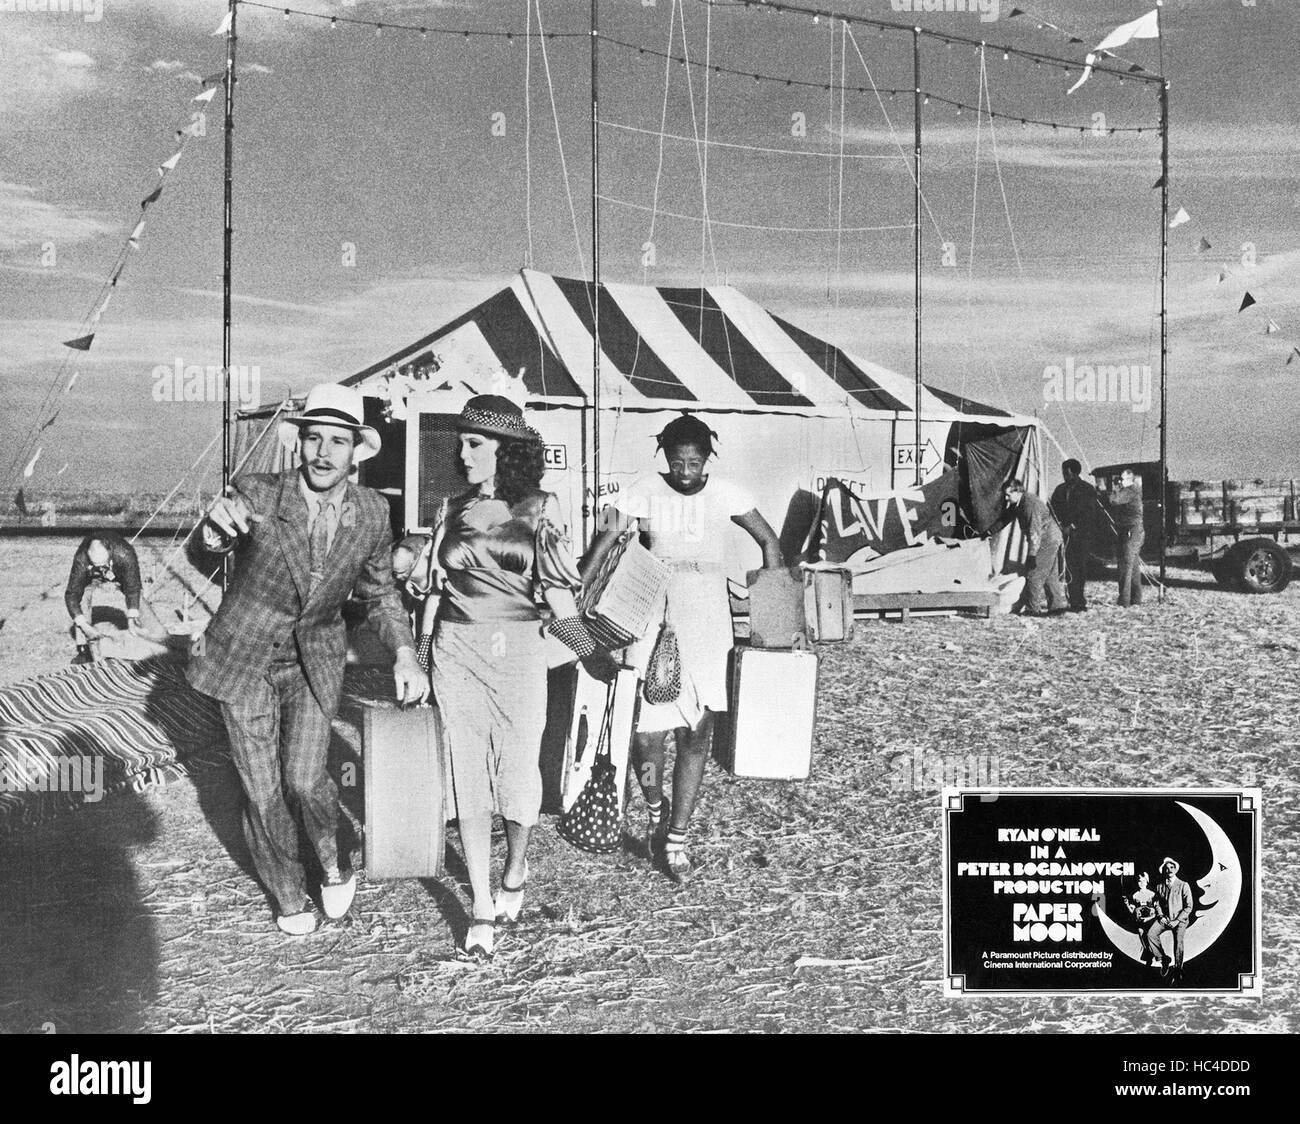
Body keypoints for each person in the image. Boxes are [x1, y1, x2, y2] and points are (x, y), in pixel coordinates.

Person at [187, 383, 428, 936]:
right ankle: (289, 894)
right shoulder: (258, 492)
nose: (323, 452)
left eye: (337, 441)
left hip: (312, 661)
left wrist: (405, 654)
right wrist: (215, 533)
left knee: (302, 780)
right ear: (299, 445)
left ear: (355, 451)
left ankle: (331, 859)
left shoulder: (371, 512)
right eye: (313, 438)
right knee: (261, 788)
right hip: (242, 659)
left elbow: (379, 594)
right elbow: (208, 547)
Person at [424, 395, 613, 962]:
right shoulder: (448, 508)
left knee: (518, 766)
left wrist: (588, 648)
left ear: (508, 451)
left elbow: (557, 590)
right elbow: (435, 591)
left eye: (475, 444)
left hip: (520, 650)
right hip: (456, 649)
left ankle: (515, 867)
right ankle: (482, 901)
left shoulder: (540, 507)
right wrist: (418, 654)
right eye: (460, 442)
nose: (462, 455)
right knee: (467, 769)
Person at [583, 413, 783, 883]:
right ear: (664, 458)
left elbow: (770, 542)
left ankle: (676, 837)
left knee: (696, 729)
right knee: (644, 735)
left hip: (707, 616)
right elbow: (602, 539)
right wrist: (578, 598)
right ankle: (655, 807)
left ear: (708, 458)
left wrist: (773, 615)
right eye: (677, 462)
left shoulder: (729, 492)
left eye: (695, 462)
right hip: (650, 610)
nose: (686, 471)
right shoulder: (637, 491)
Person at [65, 531, 168, 662]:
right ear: (89, 555)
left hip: (117, 571)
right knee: (83, 596)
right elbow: (71, 595)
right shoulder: (81, 559)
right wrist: (84, 626)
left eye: (103, 564)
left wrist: (131, 619)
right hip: (90, 575)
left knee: (137, 596)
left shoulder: (125, 554)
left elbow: (133, 588)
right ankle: (83, 649)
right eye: (97, 564)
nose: (101, 568)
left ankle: (158, 634)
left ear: (110, 552)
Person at [1003, 479, 1067, 616]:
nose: (1005, 498)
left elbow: (1034, 531)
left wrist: (1032, 555)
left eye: (1008, 495)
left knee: (1034, 574)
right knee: (1049, 575)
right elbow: (1005, 518)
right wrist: (989, 531)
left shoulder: (1029, 504)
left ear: (1018, 492)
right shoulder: (1019, 503)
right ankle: (1057, 607)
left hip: (1047, 539)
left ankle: (1032, 609)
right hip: (1052, 537)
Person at [1050, 459, 1103, 613]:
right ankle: (1073, 601)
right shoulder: (1060, 490)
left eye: (1065, 472)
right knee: (1069, 569)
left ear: (1072, 472)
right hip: (1064, 535)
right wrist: (1060, 525)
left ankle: (1079, 602)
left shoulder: (1087, 490)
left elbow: (1089, 513)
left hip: (1082, 535)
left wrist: (1073, 526)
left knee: (1080, 568)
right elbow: (1054, 509)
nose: (1064, 475)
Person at [1142, 856, 1193, 982]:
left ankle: (1178, 970)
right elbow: (1157, 904)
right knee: (1150, 934)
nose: (1169, 870)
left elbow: (1189, 907)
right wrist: (1160, 916)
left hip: (1180, 920)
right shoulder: (1160, 886)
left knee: (1178, 942)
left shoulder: (1183, 885)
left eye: (1172, 867)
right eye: (1166, 868)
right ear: (1163, 870)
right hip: (1165, 919)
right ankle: (1163, 959)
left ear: (1176, 869)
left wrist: (1176, 920)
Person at [1110, 468, 1145, 607]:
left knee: (1125, 565)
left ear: (1130, 480)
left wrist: (1115, 488)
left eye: (1121, 479)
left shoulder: (1130, 491)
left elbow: (1114, 500)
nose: (1119, 481)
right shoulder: (1132, 490)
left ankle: (1124, 600)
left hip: (1132, 531)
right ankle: (1136, 598)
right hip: (1132, 530)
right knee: (1133, 566)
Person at [1124, 870, 1159, 965]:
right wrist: (1127, 904)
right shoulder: (1135, 896)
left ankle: (1155, 954)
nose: (1141, 883)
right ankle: (1148, 954)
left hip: (1151, 920)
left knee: (1150, 935)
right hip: (1140, 921)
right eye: (1139, 881)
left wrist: (1150, 918)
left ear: (1147, 881)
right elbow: (1132, 911)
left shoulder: (1152, 894)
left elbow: (1157, 910)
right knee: (1140, 932)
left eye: (1143, 881)